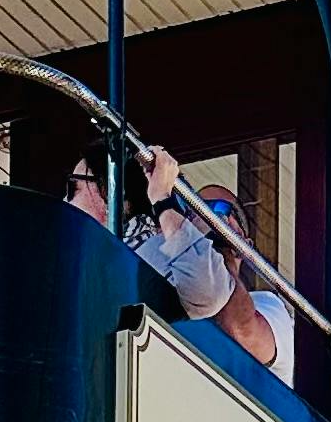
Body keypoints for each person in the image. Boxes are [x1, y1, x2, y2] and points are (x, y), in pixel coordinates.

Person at [69, 145, 294, 379]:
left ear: (245, 244)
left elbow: (238, 329)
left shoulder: (269, 306)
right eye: (191, 209)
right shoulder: (159, 260)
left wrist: (226, 246)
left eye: (216, 209)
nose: (199, 216)